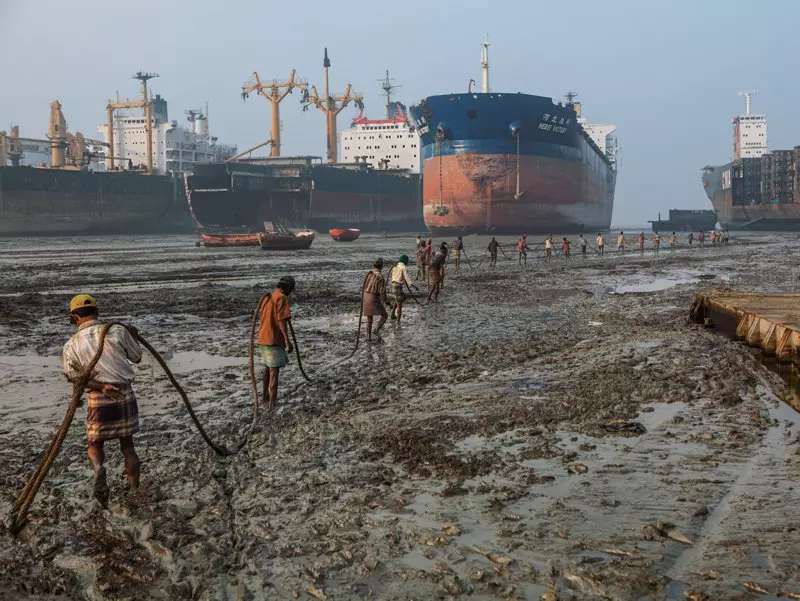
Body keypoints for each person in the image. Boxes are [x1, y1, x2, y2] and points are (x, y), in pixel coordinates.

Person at [62, 294, 143, 506]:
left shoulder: (71, 344)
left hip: (98, 397)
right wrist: (133, 336)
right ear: (97, 312)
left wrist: (102, 387)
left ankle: (98, 469)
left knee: (95, 443)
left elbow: (73, 377)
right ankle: (134, 487)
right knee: (128, 446)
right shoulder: (117, 330)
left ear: (75, 318)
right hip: (123, 392)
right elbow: (136, 357)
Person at [257, 275, 295, 409]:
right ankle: (272, 404)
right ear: (289, 288)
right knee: (274, 372)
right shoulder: (281, 298)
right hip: (273, 339)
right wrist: (287, 341)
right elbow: (281, 321)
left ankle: (264, 398)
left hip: (263, 338)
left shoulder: (268, 297)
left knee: (267, 368)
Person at [362, 259, 389, 343]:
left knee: (369, 319)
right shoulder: (380, 276)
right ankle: (376, 330)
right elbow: (382, 292)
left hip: (365, 295)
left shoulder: (369, 273)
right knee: (385, 316)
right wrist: (387, 302)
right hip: (373, 297)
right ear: (381, 266)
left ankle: (369, 337)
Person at [390, 254, 418, 324]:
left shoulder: (395, 266)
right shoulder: (404, 267)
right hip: (398, 286)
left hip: (393, 285)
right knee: (399, 304)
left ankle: (393, 314)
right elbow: (407, 278)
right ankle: (398, 321)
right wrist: (413, 286)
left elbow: (396, 277)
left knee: (398, 300)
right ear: (405, 261)